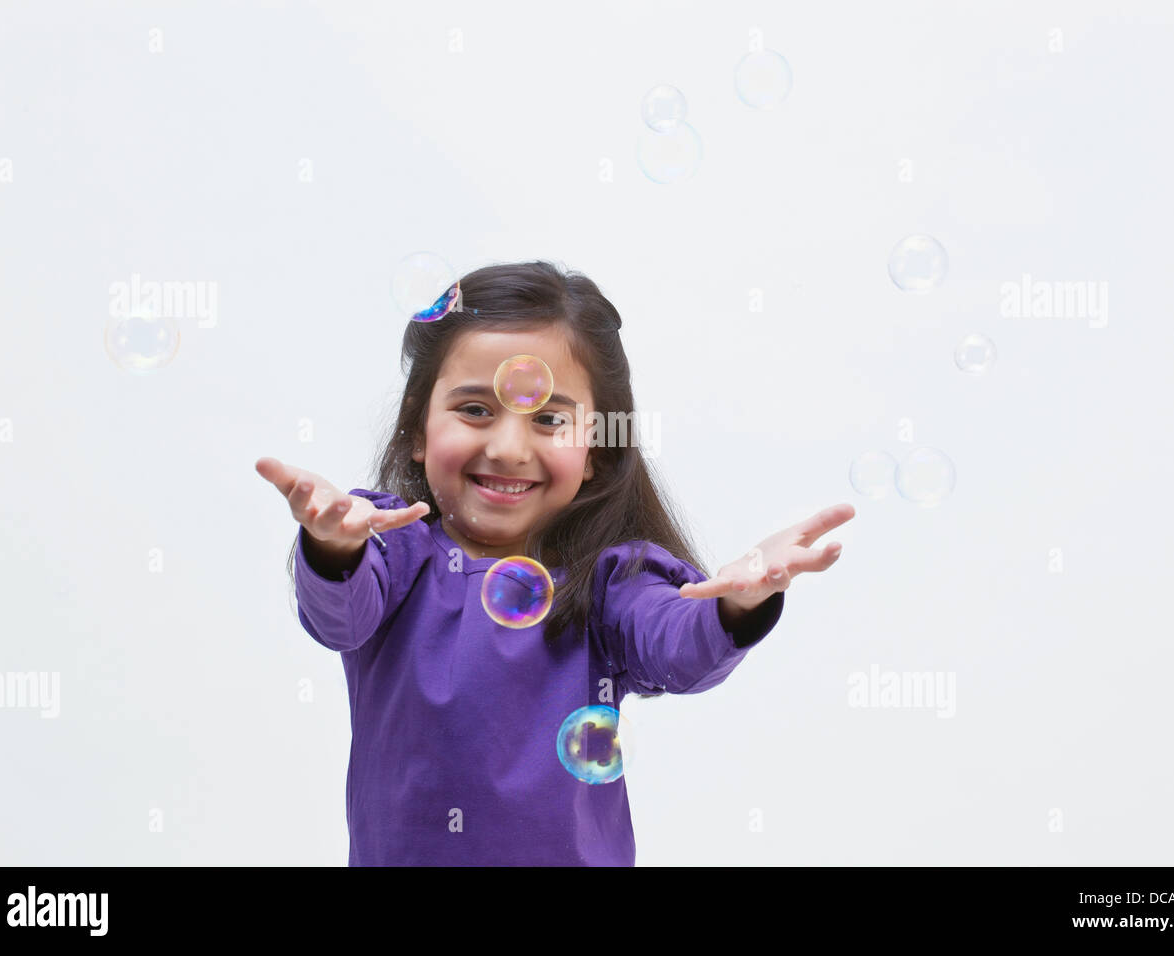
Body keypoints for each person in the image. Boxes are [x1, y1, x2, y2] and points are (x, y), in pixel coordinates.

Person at [255, 260, 854, 865]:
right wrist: (334, 546)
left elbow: (677, 644)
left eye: (548, 420)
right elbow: (341, 614)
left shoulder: (611, 581)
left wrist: (739, 603)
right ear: (417, 428)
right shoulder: (390, 553)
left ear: (595, 450)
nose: (509, 449)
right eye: (475, 410)